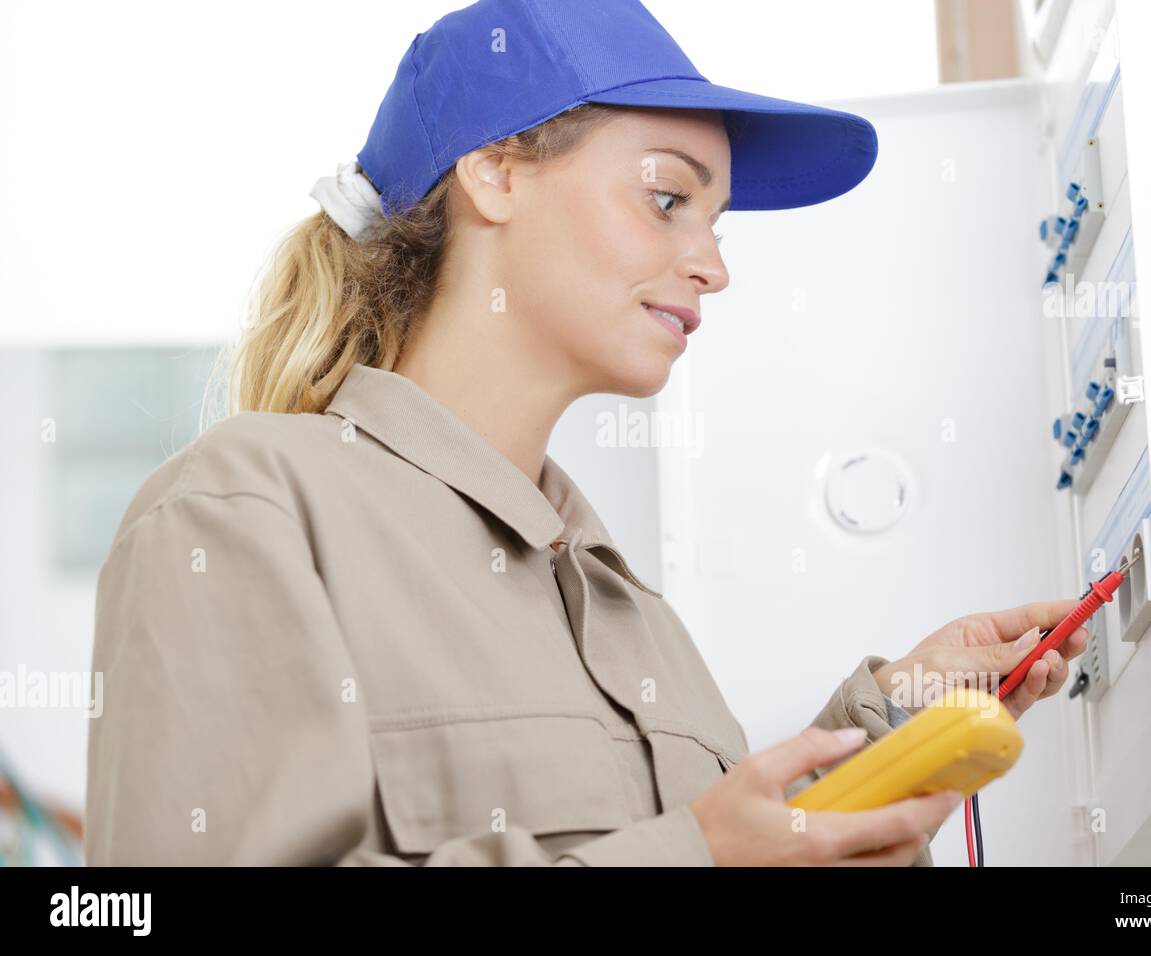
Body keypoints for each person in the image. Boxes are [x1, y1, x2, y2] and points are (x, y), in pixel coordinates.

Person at [86, 0, 1086, 866]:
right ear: (494, 172)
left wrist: (877, 734)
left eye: (717, 223)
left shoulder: (630, 610)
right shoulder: (240, 511)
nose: (712, 265)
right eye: (666, 199)